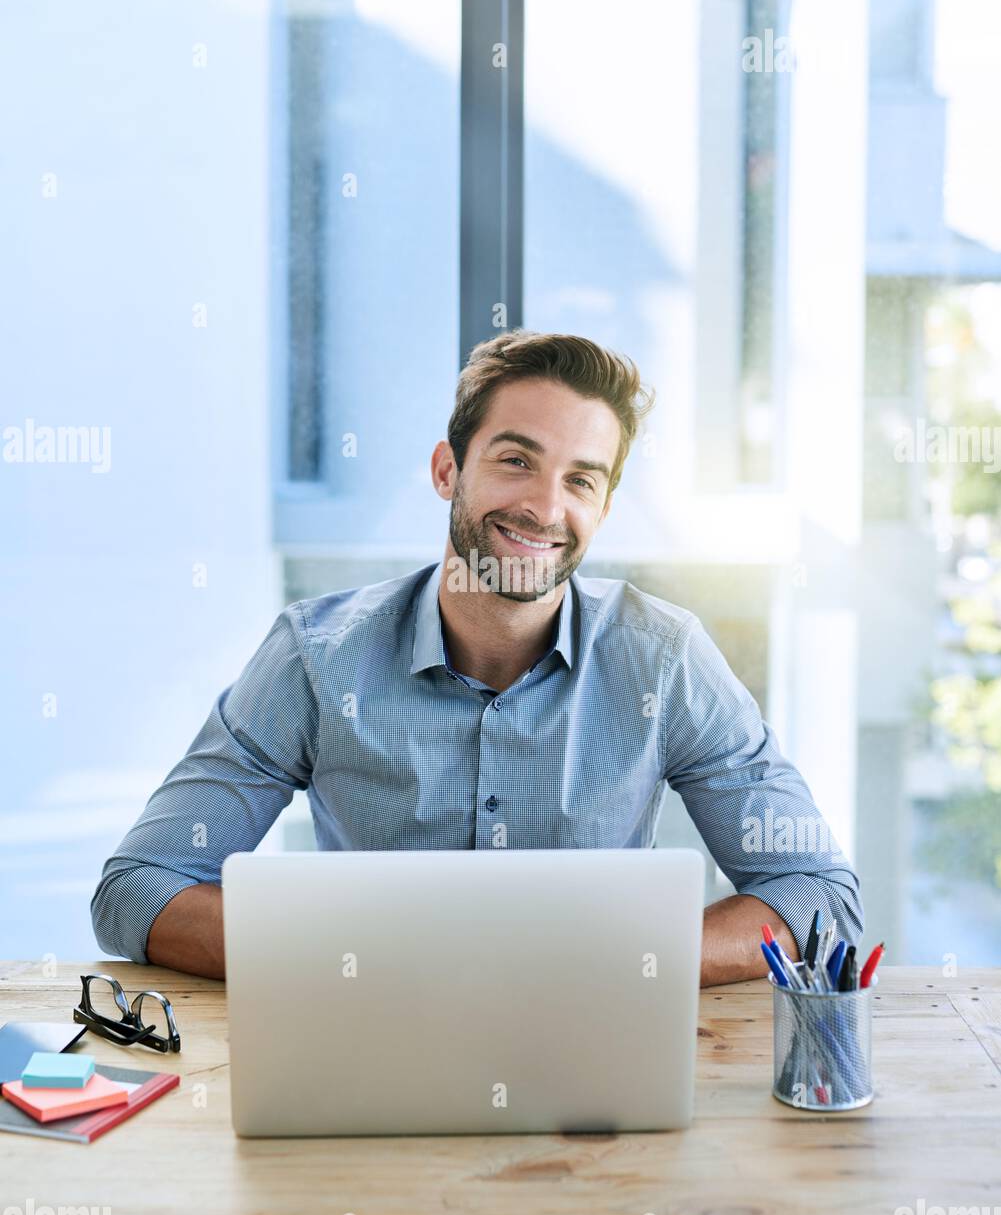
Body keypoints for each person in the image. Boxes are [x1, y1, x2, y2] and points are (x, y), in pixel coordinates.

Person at [92, 329, 863, 982]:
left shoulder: (664, 660)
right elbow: (139, 889)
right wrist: (359, 957)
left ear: (601, 508)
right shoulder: (314, 658)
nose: (543, 507)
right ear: (446, 470)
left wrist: (624, 960)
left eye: (580, 480)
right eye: (516, 461)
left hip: (590, 1067)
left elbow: (818, 892)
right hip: (369, 1039)